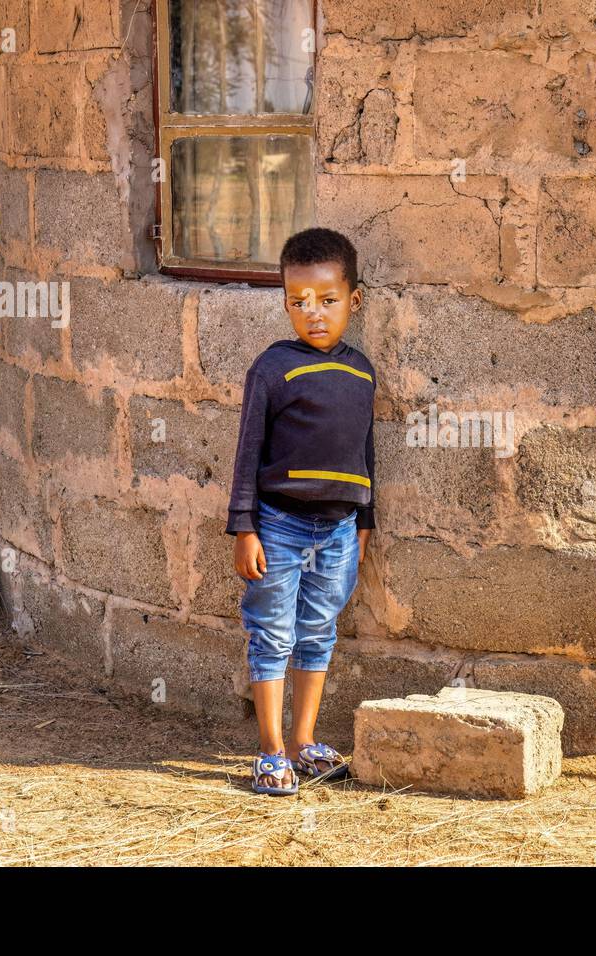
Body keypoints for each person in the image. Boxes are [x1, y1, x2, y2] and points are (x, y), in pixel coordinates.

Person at [226, 227, 375, 795]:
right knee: (272, 634)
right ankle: (270, 750)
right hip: (280, 526)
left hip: (338, 530)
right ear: (285, 300)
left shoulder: (361, 372)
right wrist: (244, 527)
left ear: (353, 301)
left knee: (318, 632)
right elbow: (247, 453)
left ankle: (305, 741)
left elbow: (366, 453)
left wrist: (365, 521)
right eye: (298, 302)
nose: (313, 314)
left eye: (328, 300)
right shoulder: (272, 369)